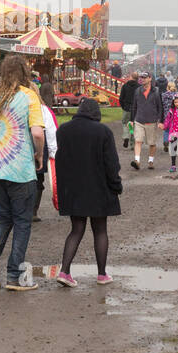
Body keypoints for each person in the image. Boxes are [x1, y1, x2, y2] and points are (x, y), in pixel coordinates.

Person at [0, 53, 45, 290]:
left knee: (4, 217)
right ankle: (14, 276)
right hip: (20, 167)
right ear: (24, 73)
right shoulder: (28, 96)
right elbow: (37, 133)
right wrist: (38, 154)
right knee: (22, 221)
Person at [54, 97, 121, 287]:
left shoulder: (64, 130)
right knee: (100, 230)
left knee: (76, 230)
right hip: (99, 188)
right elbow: (112, 163)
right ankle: (101, 274)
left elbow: (59, 159)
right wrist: (116, 185)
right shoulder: (103, 132)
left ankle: (65, 271)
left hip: (73, 189)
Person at [32, 82, 59, 223]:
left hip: (20, 147)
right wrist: (54, 152)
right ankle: (32, 211)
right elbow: (51, 131)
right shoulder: (43, 110)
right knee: (37, 179)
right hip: (38, 146)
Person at [128, 71, 164, 171]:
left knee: (151, 143)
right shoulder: (137, 91)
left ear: (150, 78)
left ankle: (150, 161)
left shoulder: (156, 91)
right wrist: (131, 120)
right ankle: (137, 161)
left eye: (144, 77)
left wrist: (160, 121)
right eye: (141, 77)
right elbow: (134, 106)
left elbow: (160, 107)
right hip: (139, 120)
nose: (142, 79)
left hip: (151, 121)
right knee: (138, 141)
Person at [118, 73, 139, 149]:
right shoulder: (139, 87)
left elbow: (121, 98)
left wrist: (123, 107)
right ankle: (132, 144)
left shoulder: (125, 86)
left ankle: (126, 136)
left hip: (126, 108)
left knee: (125, 123)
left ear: (131, 77)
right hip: (136, 109)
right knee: (134, 126)